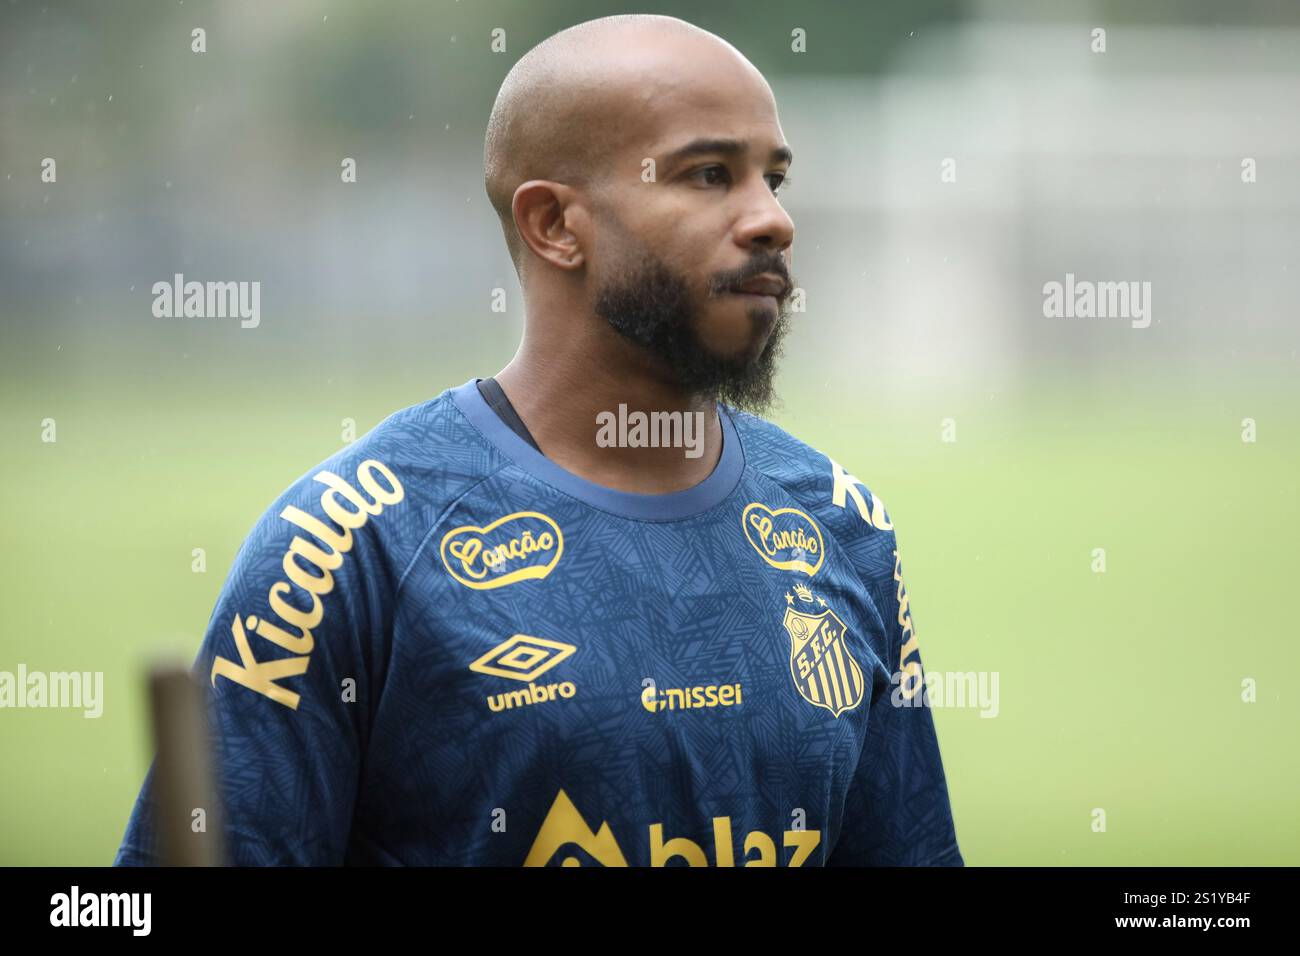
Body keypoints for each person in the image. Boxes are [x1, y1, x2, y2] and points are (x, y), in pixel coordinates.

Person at [115, 13, 962, 866]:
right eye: (709, 175)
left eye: (774, 179)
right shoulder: (346, 551)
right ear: (555, 223)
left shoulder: (843, 528)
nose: (771, 220)